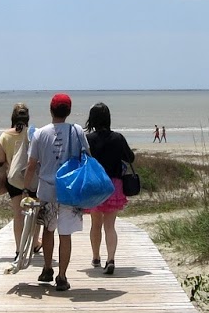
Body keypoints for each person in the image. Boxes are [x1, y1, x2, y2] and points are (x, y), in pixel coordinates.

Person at [24, 92, 85, 292]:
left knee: (48, 230)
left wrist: (27, 189)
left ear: (51, 110)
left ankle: (48, 268)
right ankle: (62, 276)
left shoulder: (40, 133)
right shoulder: (77, 131)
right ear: (68, 111)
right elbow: (87, 158)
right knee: (65, 234)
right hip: (70, 191)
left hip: (47, 190)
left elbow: (32, 165)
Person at [84, 102, 135, 275]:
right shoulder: (118, 138)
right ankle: (110, 259)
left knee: (95, 224)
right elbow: (131, 158)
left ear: (92, 119)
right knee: (110, 226)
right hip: (114, 184)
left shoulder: (88, 139)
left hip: (95, 184)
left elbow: (81, 160)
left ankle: (96, 257)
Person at [0, 102, 35, 257]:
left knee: (18, 214)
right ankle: (32, 245)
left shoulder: (5, 136)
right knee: (33, 213)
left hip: (13, 179)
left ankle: (19, 249)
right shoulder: (33, 133)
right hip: (30, 178)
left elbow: (0, 159)